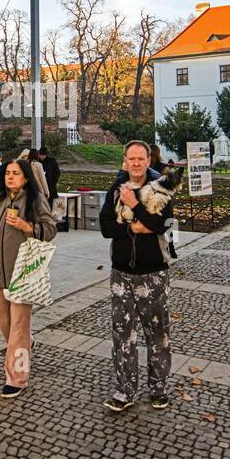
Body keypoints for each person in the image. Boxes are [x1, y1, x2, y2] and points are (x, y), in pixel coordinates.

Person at [0, 159, 57, 398]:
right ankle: (26, 344)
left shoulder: (35, 200)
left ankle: (17, 378)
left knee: (19, 326)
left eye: (16, 173)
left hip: (23, 274)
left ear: (26, 177)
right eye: (8, 173)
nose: (10, 177)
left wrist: (25, 225)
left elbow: (50, 230)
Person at [99, 141, 174, 412]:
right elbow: (106, 227)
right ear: (125, 161)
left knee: (157, 334)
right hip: (121, 273)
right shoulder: (116, 189)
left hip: (153, 273)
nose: (136, 163)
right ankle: (124, 389)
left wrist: (135, 206)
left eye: (140, 158)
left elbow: (164, 223)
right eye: (131, 159)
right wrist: (136, 226)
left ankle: (158, 388)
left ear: (148, 160)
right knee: (122, 335)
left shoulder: (161, 188)